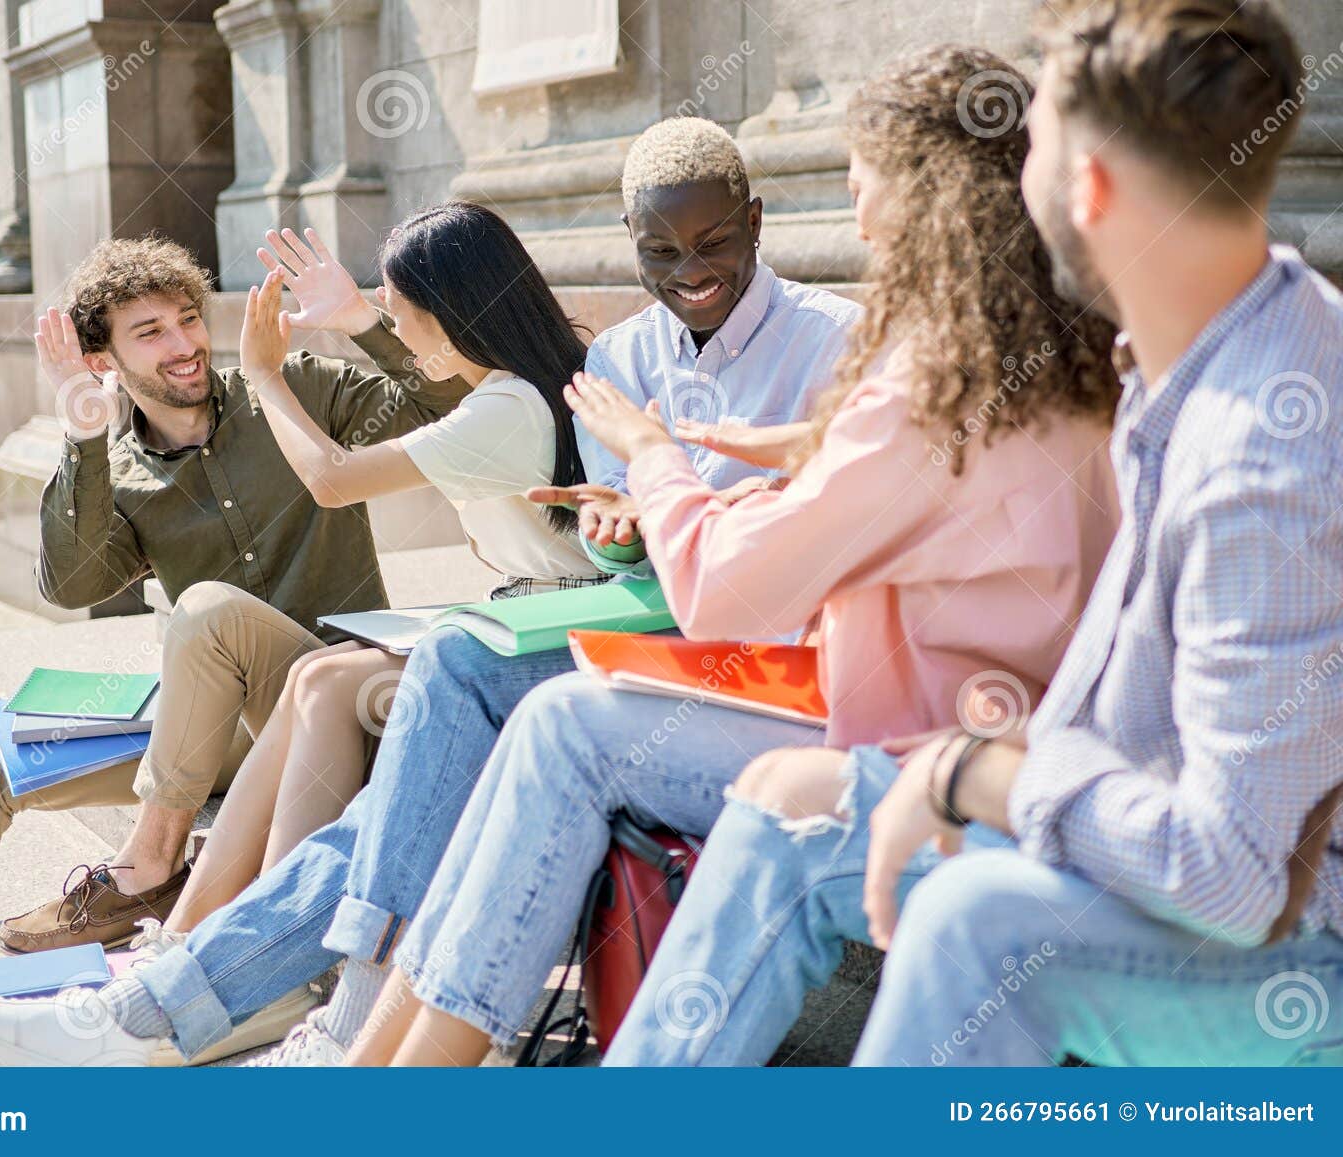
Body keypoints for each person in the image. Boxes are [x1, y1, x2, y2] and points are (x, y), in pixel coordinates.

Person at [0, 117, 862, 1067]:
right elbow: (639, 551)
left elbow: (794, 555)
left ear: (759, 219)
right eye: (658, 249)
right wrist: (626, 526)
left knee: (427, 709)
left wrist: (670, 494)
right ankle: (159, 999)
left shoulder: (836, 343)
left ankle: (236, 1003)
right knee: (408, 741)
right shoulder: (621, 358)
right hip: (634, 639)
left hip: (758, 672)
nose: (687, 268)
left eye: (713, 241)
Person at [342, 44, 1124, 1068]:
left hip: (918, 752)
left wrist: (661, 458)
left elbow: (722, 588)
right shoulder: (1062, 354)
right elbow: (915, 491)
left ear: (924, 202)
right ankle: (371, 1068)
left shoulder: (922, 374)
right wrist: (772, 465)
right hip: (971, 728)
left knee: (563, 729)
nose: (855, 215)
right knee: (541, 718)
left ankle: (388, 1074)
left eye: (861, 185)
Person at [0, 235, 467, 1068]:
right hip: (224, 732)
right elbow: (74, 579)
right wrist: (83, 435)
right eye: (150, 331)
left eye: (190, 319)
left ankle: (150, 864)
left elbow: (445, 408)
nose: (185, 343)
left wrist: (362, 319)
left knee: (206, 611)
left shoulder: (297, 387)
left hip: (331, 711)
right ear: (104, 358)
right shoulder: (117, 464)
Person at [844, 0, 1343, 1067]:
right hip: (1212, 867)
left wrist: (970, 773)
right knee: (797, 835)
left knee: (970, 923)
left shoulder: (1257, 462)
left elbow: (1231, 874)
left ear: (1090, 188)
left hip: (1304, 953)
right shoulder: (1245, 332)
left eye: (1035, 147)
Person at [143, 203, 605, 948]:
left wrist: (264, 376)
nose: (390, 321)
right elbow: (430, 384)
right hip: (532, 620)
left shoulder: (505, 410)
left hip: (557, 641)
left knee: (326, 684)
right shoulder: (523, 379)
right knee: (315, 677)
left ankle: (264, 945)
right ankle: (194, 936)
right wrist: (357, 316)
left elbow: (331, 478)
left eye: (398, 308)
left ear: (450, 315)